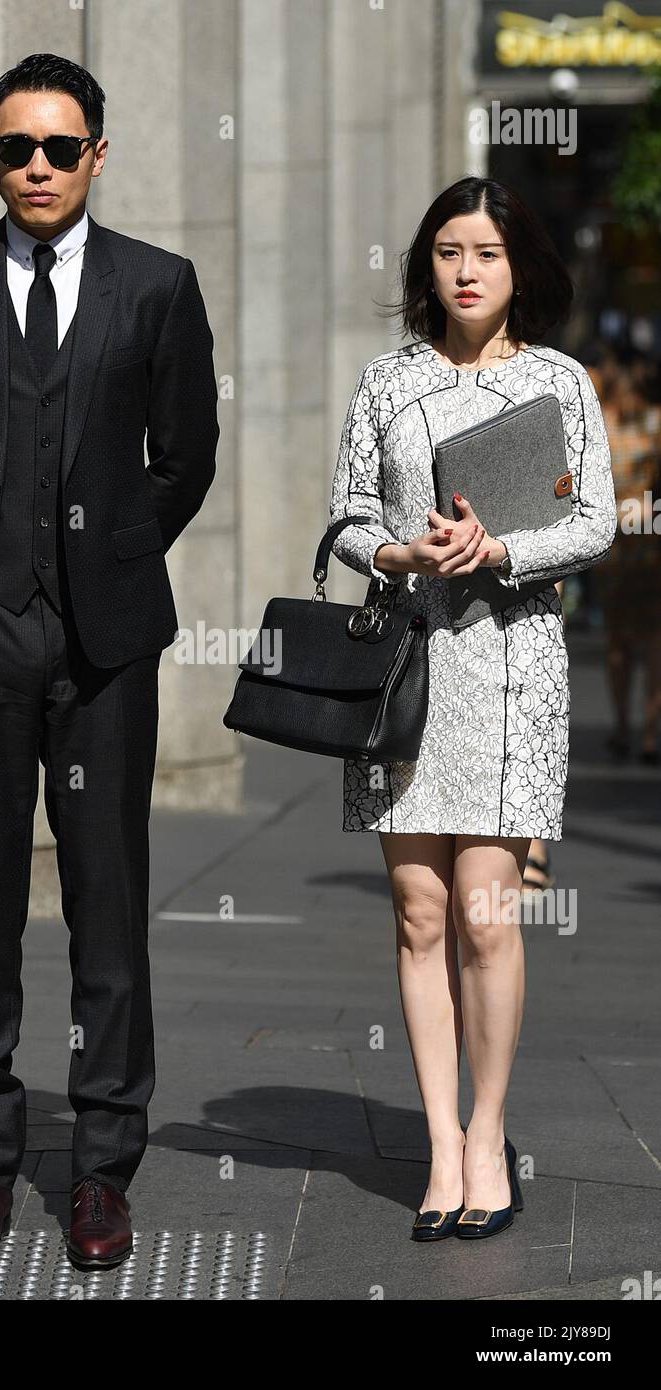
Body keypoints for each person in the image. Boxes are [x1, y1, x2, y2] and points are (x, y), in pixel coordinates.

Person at [0, 52, 219, 1272]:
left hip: (105, 644)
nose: (36, 168)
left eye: (59, 148)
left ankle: (102, 1171)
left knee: (107, 906)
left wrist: (112, 559)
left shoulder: (157, 287)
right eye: (14, 148)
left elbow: (185, 455)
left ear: (97, 156)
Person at [329, 176, 617, 1241]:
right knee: (416, 913)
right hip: (405, 671)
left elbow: (595, 523)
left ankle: (487, 1131)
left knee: (487, 915)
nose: (464, 269)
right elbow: (346, 518)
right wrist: (399, 549)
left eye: (485, 252)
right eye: (447, 250)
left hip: (510, 666)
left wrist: (498, 548)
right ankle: (439, 1142)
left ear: (518, 268)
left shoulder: (559, 381)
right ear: (423, 267)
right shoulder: (385, 383)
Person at [590, 346, 661, 764]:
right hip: (633, 540)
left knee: (631, 640)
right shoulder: (647, 425)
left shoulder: (605, 424)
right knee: (642, 639)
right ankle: (638, 730)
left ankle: (633, 728)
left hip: (632, 543)